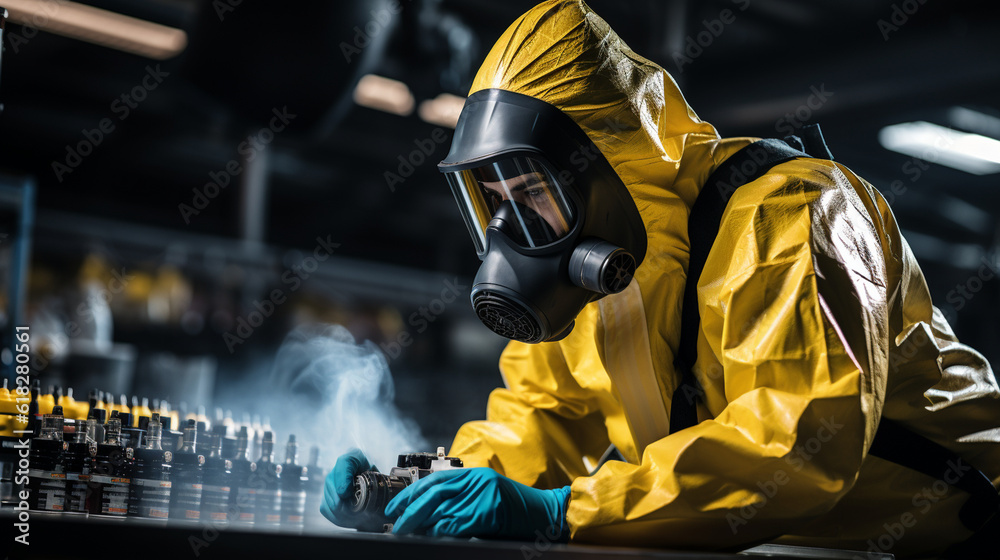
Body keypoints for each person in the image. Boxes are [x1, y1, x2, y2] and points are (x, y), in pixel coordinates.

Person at [322, 1, 1000, 556]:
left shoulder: (792, 218)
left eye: (530, 193)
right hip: (799, 545)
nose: (511, 229)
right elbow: (540, 421)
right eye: (493, 203)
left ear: (602, 169)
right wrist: (424, 487)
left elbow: (792, 449)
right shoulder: (604, 283)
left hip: (961, 533)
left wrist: (565, 512)